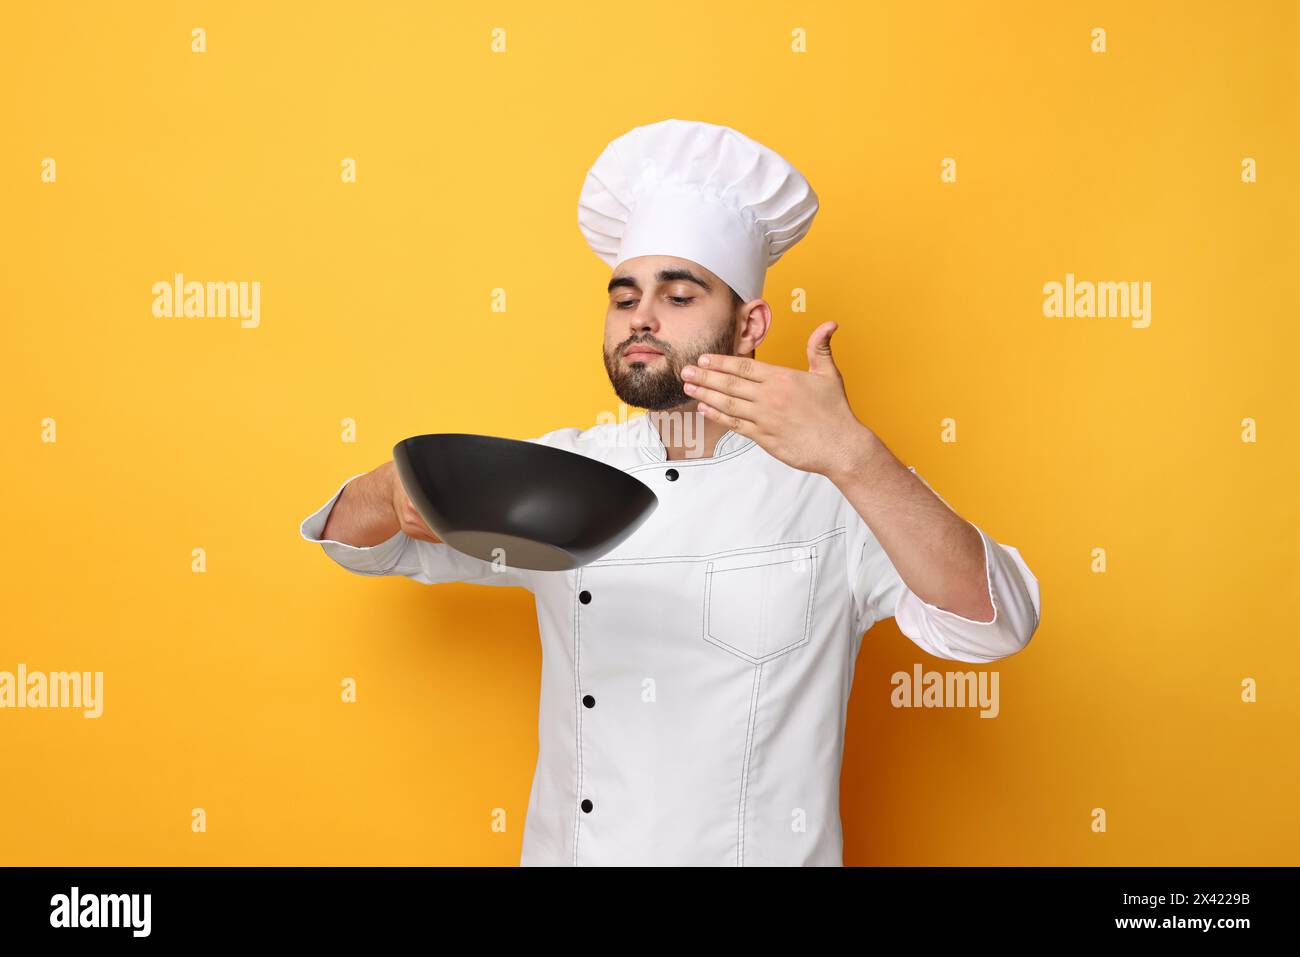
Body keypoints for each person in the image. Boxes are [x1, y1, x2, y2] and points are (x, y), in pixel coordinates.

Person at [299, 118, 1042, 866]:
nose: (642, 318)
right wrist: (394, 482)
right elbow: (360, 539)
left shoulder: (836, 483)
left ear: (750, 324)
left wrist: (856, 457)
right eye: (625, 299)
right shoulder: (561, 474)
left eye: (679, 296)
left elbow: (995, 623)